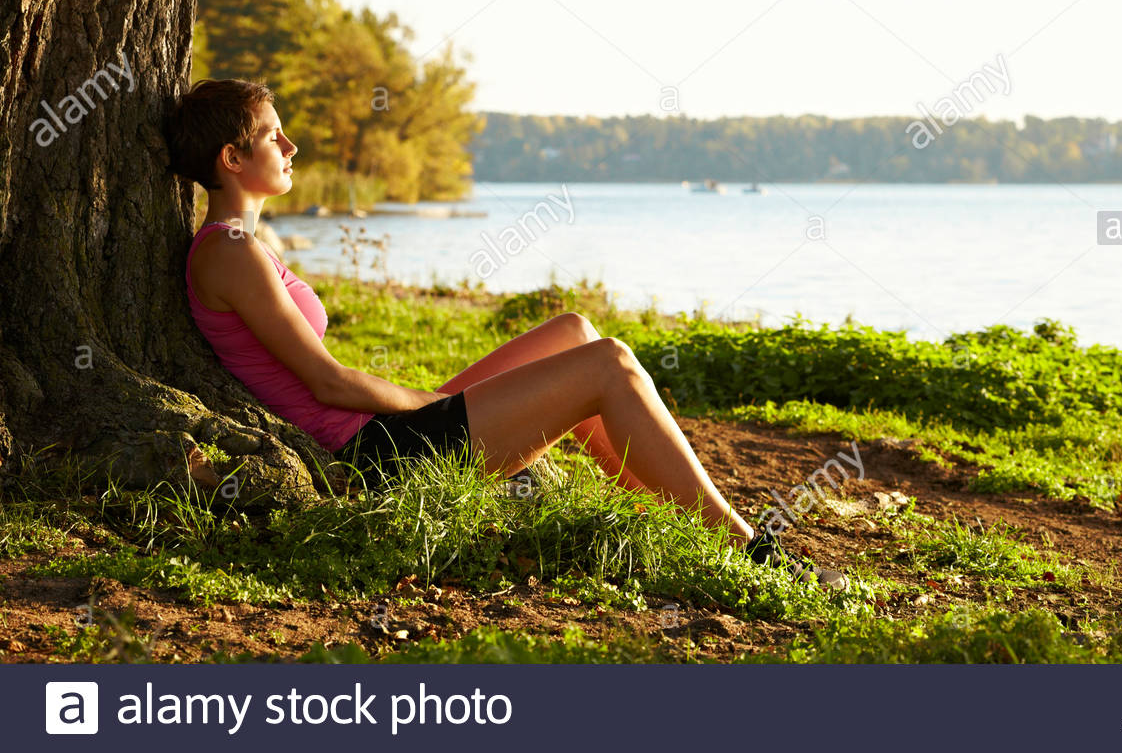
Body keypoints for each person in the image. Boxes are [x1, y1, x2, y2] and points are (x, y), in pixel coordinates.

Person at [163, 78, 845, 591]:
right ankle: (749, 549)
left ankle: (675, 519)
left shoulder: (242, 245)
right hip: (378, 454)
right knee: (608, 365)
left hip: (388, 430)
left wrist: (432, 401)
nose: (292, 146)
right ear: (230, 157)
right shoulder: (231, 251)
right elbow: (327, 381)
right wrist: (429, 402)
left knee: (575, 331)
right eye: (273, 136)